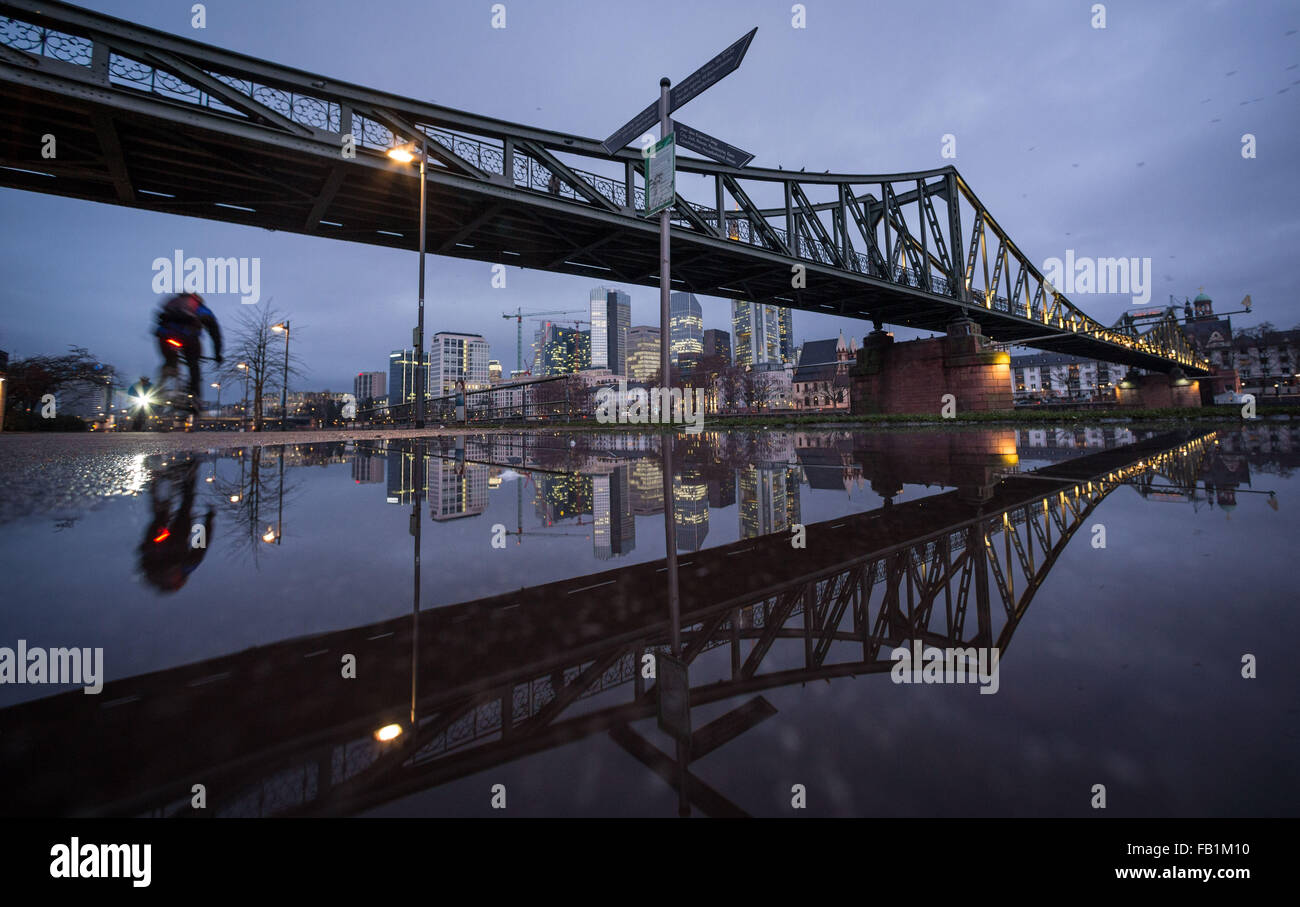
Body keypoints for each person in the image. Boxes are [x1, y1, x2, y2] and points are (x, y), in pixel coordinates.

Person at [154, 293, 222, 413]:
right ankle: (195, 396)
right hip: (188, 338)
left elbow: (159, 316)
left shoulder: (173, 301)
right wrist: (217, 354)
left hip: (164, 336)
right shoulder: (201, 309)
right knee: (193, 364)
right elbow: (215, 333)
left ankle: (160, 387)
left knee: (169, 360)